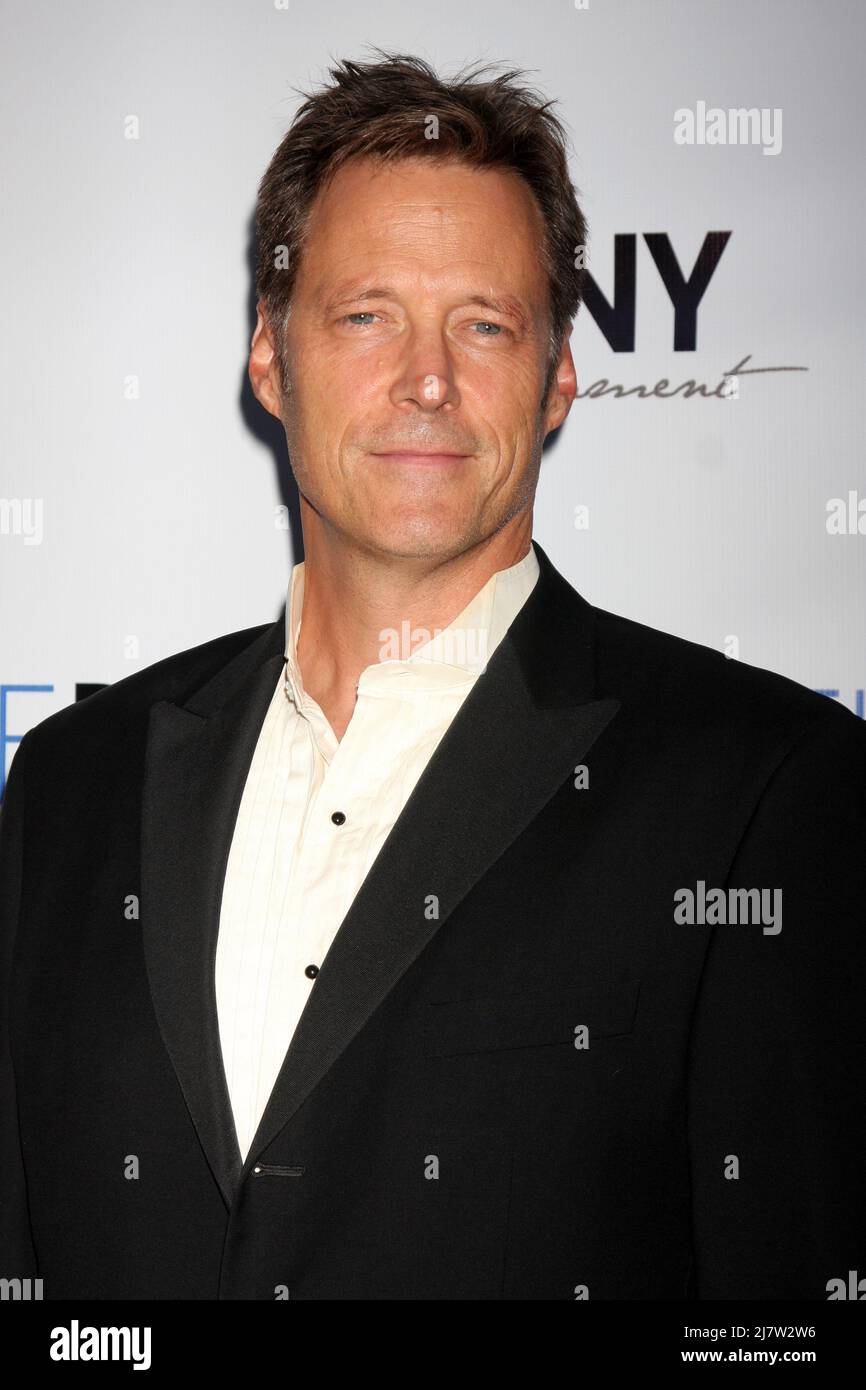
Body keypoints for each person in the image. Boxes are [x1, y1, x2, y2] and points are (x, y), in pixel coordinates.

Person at [1, 50, 864, 1301]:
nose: (424, 379)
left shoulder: (758, 791)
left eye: (483, 323)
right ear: (267, 358)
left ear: (559, 373)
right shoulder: (76, 782)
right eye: (365, 316)